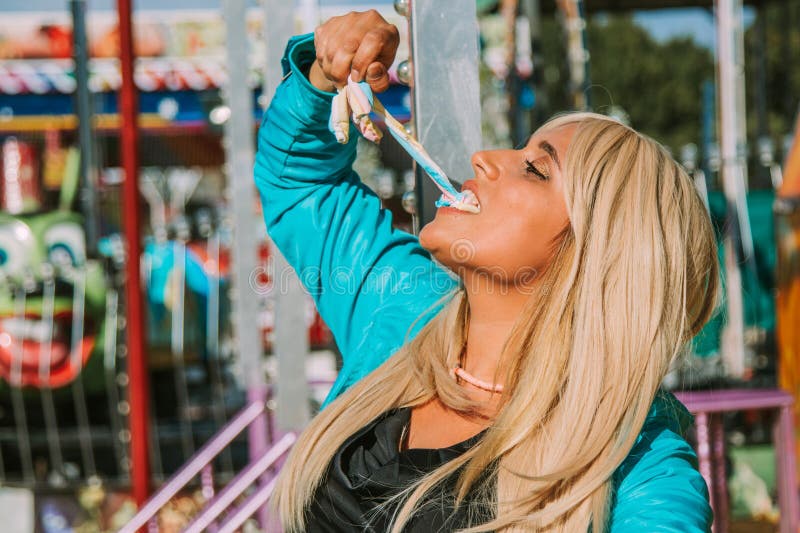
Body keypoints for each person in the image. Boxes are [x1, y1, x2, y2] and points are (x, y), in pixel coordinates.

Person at [255, 10, 717, 532]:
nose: (483, 159)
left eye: (536, 169)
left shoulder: (638, 467)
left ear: (599, 255)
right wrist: (326, 70)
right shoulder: (404, 308)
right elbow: (301, 184)